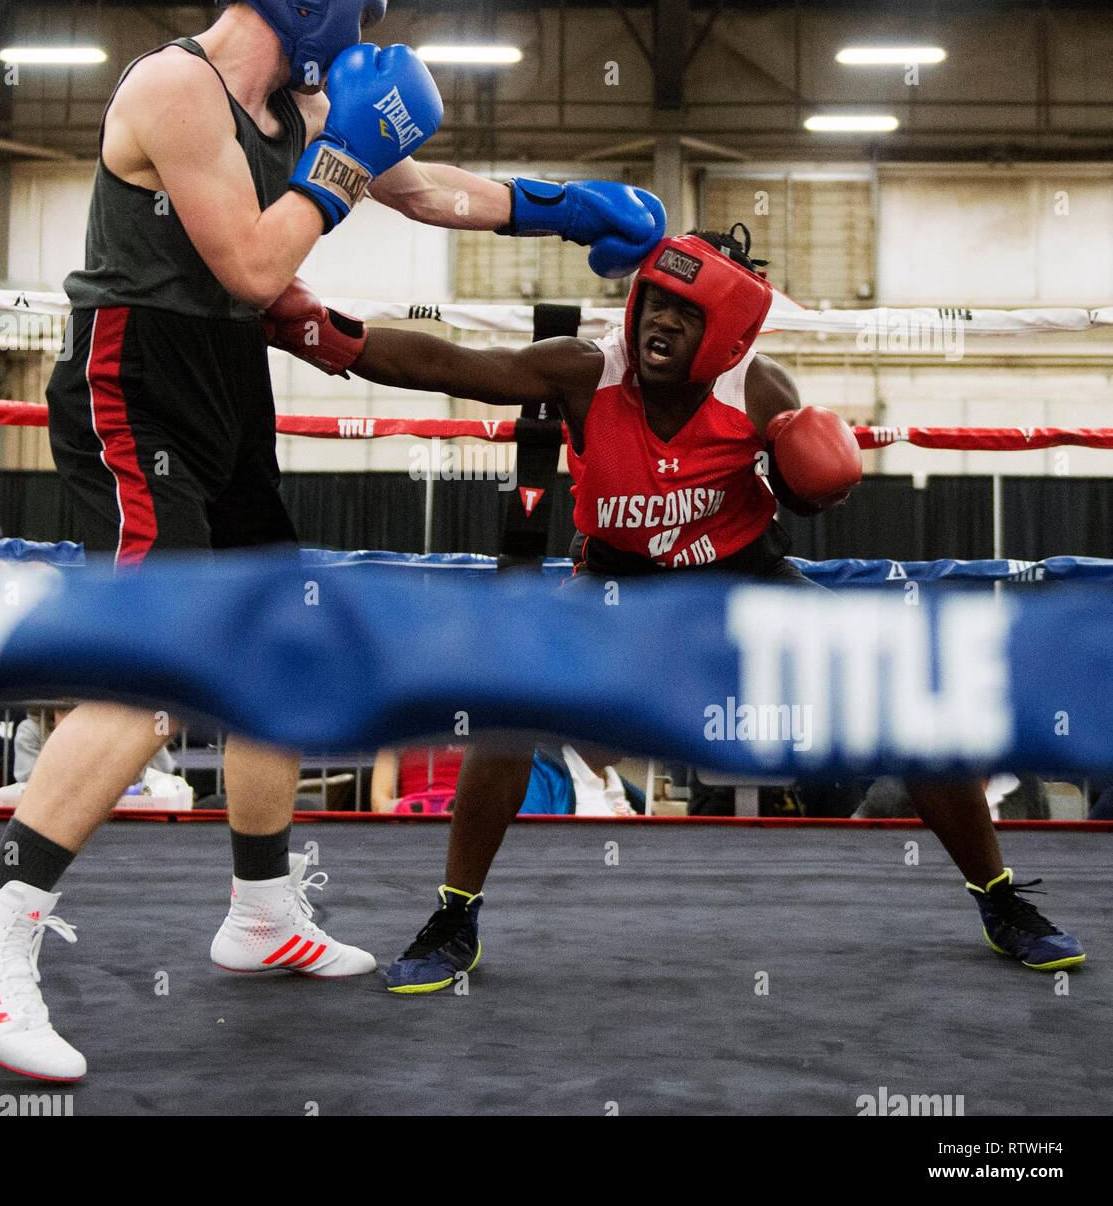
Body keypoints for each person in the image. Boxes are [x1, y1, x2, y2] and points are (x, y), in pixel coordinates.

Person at [0, 0, 666, 1082]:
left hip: (223, 391)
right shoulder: (173, 89)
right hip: (135, 381)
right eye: (359, 9)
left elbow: (420, 187)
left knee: (269, 643)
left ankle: (260, 913)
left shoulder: (301, 98)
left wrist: (570, 209)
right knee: (155, 663)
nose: (362, 42)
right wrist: (335, 159)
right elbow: (260, 265)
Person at [338, 224, 1086, 991]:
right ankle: (454, 916)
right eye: (655, 301)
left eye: (686, 313)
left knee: (911, 699)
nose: (662, 320)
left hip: (745, 582)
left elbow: (804, 500)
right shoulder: (587, 370)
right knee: (507, 709)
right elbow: (454, 362)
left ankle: (999, 900)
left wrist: (807, 477)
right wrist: (330, 338)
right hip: (616, 587)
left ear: (724, 333)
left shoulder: (759, 391)